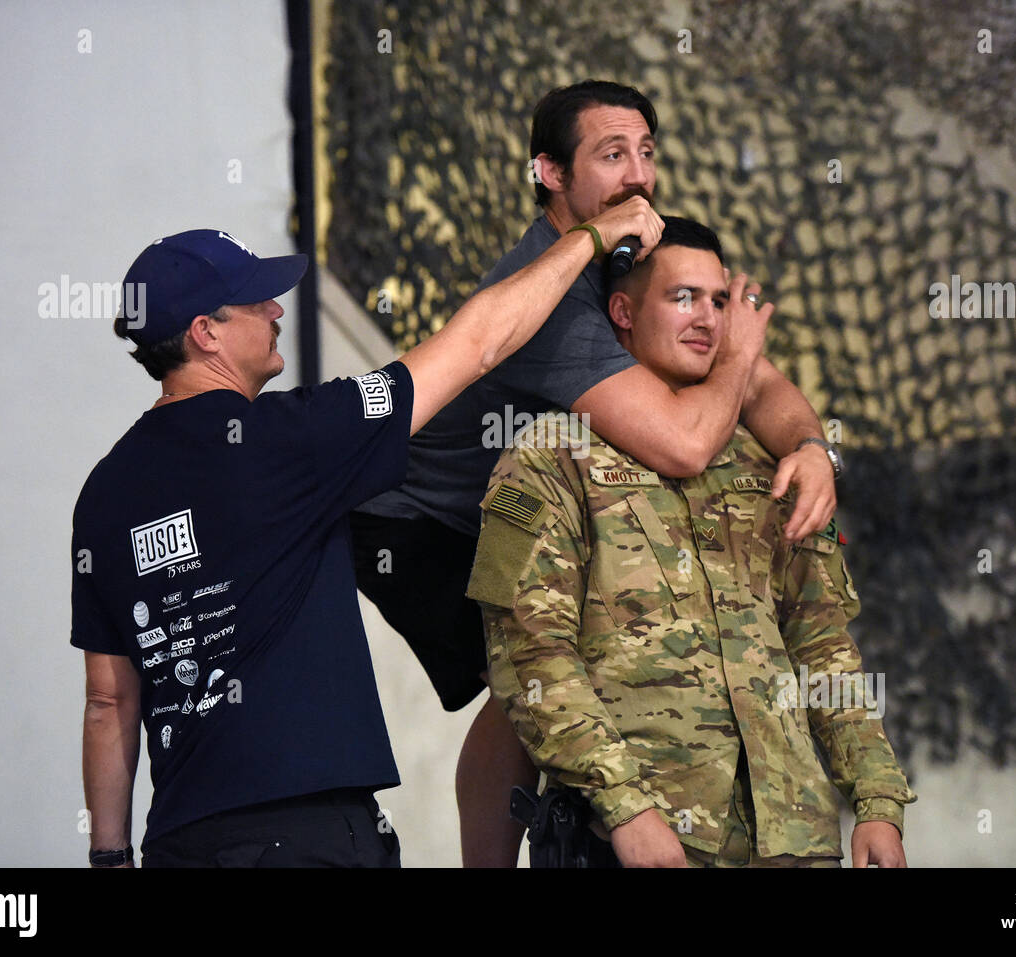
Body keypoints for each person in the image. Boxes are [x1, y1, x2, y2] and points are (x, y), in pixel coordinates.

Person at [72, 205, 661, 867]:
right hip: (307, 836)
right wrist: (586, 239)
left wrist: (110, 856)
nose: (276, 311)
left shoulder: (104, 492)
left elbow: (107, 699)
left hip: (180, 842)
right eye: (255, 302)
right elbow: (478, 345)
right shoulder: (289, 438)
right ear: (206, 332)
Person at [352, 80, 846, 866]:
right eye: (612, 156)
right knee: (528, 681)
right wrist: (743, 353)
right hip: (415, 518)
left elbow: (759, 384)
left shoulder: (637, 256)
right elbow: (687, 440)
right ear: (550, 173)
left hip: (506, 492)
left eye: (646, 152)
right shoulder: (549, 293)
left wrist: (814, 447)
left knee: (545, 677)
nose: (638, 175)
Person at [467, 217, 916, 868]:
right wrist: (624, 804)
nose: (709, 317)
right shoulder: (549, 460)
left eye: (719, 300)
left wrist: (876, 800)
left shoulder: (775, 464)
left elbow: (822, 644)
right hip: (632, 843)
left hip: (793, 843)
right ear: (622, 311)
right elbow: (531, 655)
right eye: (683, 297)